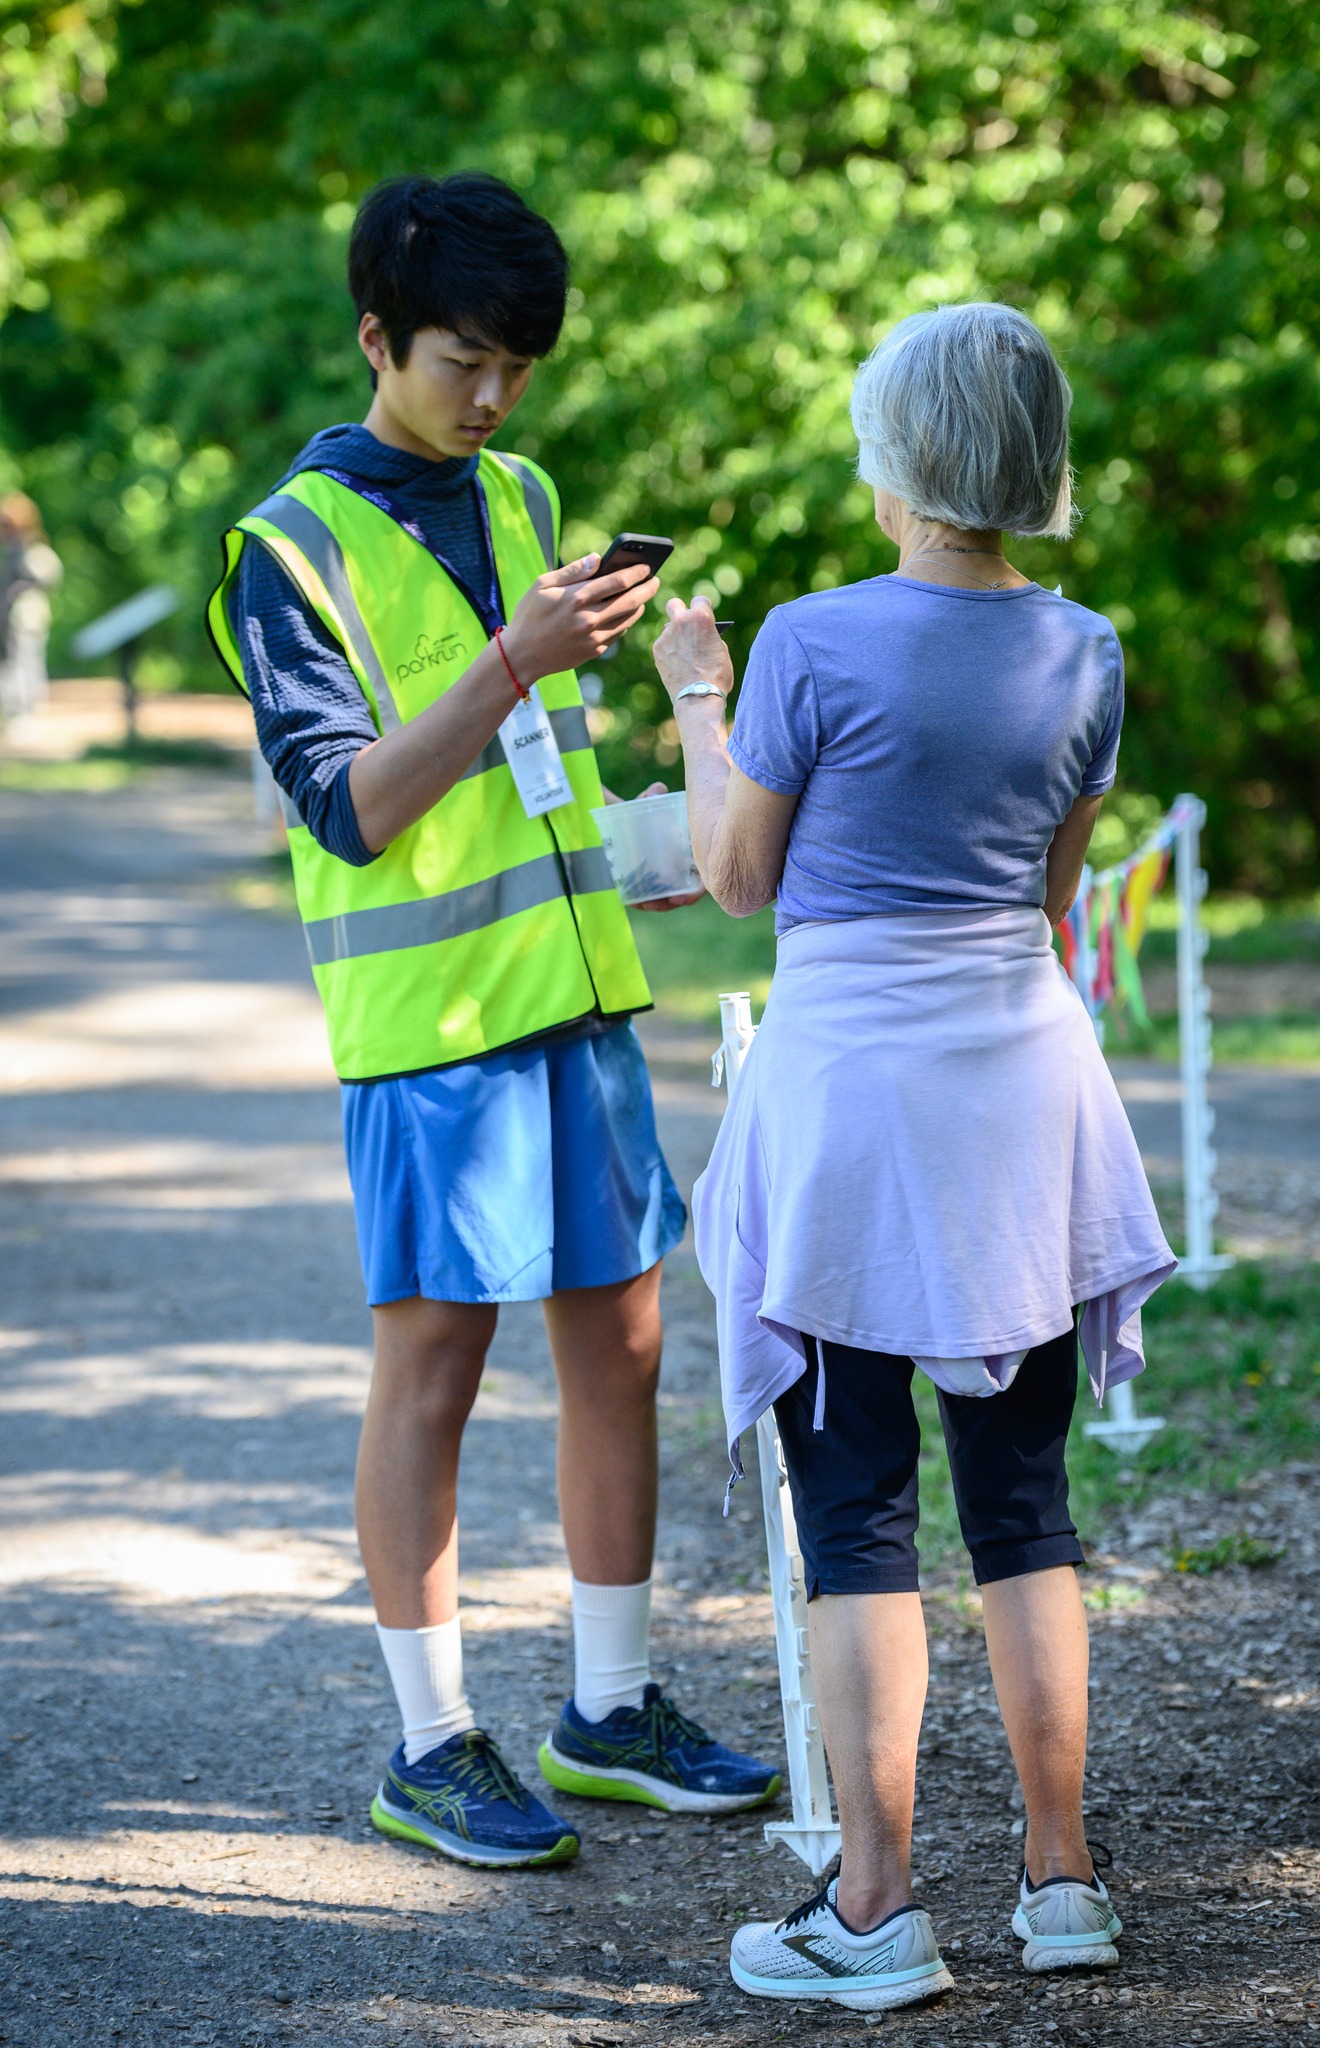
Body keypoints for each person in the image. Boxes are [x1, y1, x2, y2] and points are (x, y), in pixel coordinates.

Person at [206, 172, 778, 1871]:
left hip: (577, 1000)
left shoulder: (525, 493)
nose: (495, 396)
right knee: (434, 1366)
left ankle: (607, 1705)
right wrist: (510, 664)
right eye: (463, 359)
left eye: (518, 364)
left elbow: (549, 789)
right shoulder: (286, 549)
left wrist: (677, 811)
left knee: (622, 1339)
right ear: (376, 336)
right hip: (427, 1029)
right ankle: (432, 1740)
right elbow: (354, 807)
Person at [651, 303, 1175, 2010]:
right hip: (1021, 1090)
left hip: (855, 1106)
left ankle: (871, 1908)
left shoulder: (807, 639)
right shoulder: (1085, 649)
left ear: (897, 455)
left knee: (858, 1503)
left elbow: (735, 876)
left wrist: (693, 690)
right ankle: (1063, 1878)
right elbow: (1043, 896)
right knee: (1023, 1501)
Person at [0, 492, 62, 722]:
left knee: (26, 659)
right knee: (11, 661)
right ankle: (13, 709)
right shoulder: (12, 551)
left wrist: (22, 588)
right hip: (10, 615)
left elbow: (48, 575)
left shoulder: (32, 549)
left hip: (27, 616)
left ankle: (28, 709)